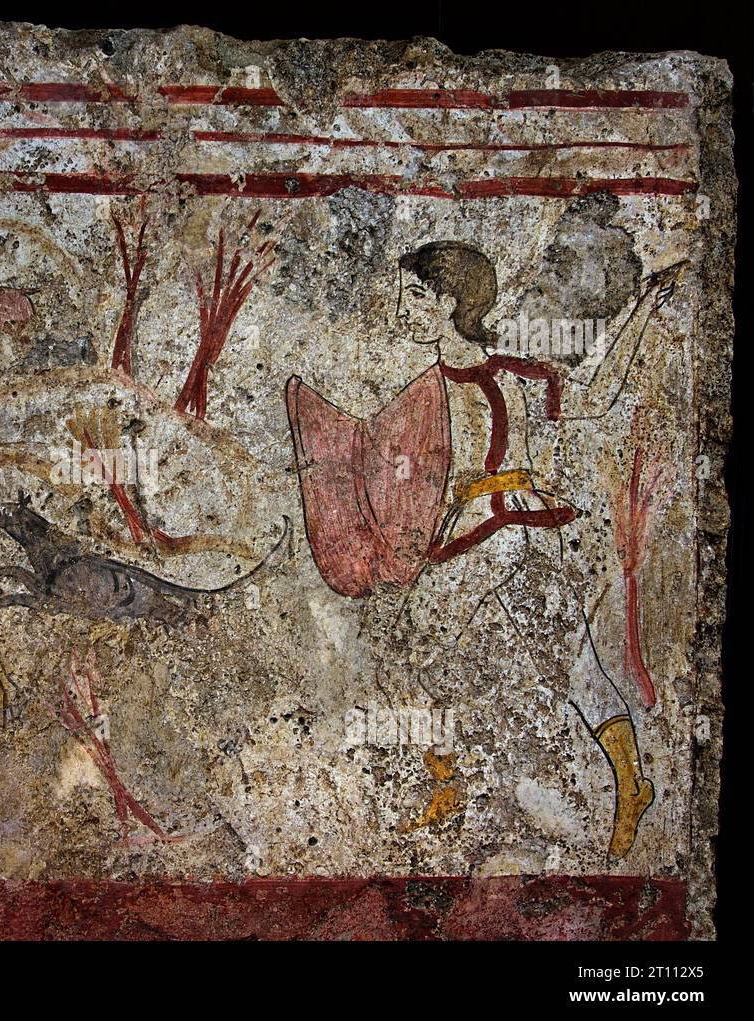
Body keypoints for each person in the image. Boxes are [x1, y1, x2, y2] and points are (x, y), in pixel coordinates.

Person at [286, 240, 684, 858]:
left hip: (506, 534)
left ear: (450, 304)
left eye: (417, 298)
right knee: (480, 664)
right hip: (472, 539)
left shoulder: (513, 375)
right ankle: (481, 783)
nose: (404, 311)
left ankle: (621, 785)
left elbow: (596, 397)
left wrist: (641, 313)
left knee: (436, 656)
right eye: (404, 296)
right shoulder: (424, 391)